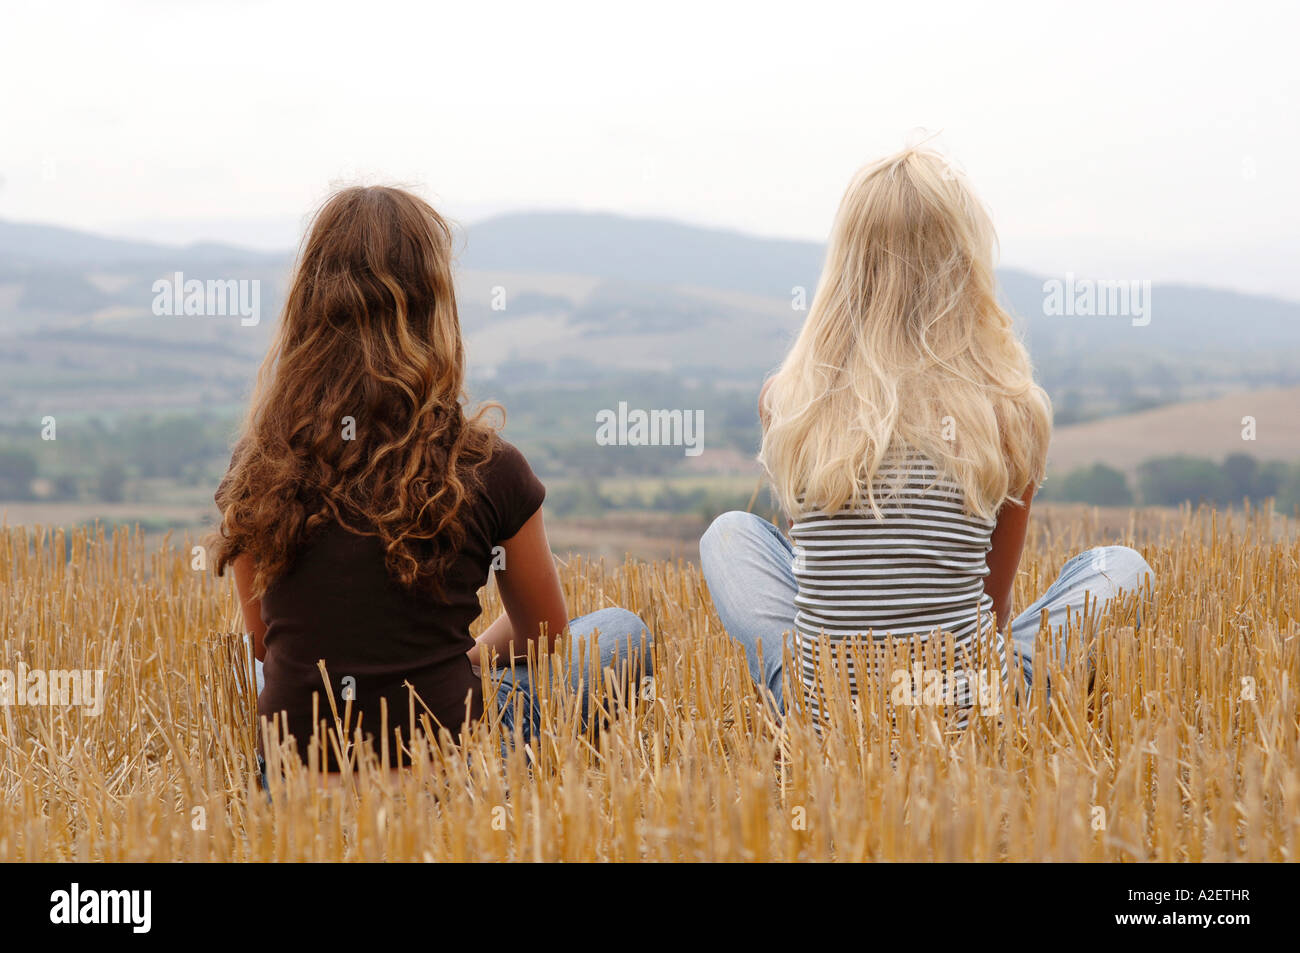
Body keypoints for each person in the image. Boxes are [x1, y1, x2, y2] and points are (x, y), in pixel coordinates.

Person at [700, 147, 1152, 725]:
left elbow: (818, 581)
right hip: (969, 705)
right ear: (965, 265)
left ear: (844, 266)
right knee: (1121, 566)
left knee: (730, 534)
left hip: (824, 709)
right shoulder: (1011, 410)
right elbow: (994, 604)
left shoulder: (788, 400)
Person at [212, 186, 651, 777]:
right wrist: (465, 659)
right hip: (446, 770)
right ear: (434, 309)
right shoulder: (488, 466)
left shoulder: (258, 465)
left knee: (267, 666)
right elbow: (544, 636)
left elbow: (264, 642)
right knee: (620, 633)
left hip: (293, 782)